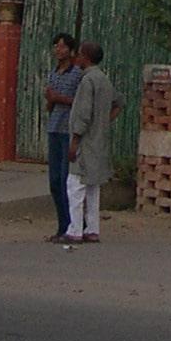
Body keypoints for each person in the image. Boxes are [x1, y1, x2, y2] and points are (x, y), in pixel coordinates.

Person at [65, 41, 115, 245]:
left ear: (85, 57)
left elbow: (83, 115)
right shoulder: (103, 79)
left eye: (80, 55)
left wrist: (74, 142)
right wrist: (102, 123)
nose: (77, 57)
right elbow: (119, 102)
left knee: (75, 185)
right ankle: (92, 229)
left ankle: (75, 230)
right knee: (93, 187)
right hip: (99, 140)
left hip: (85, 142)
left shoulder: (87, 81)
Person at [43, 33, 82, 244]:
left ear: (71, 51)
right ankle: (61, 225)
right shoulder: (53, 74)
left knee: (67, 180)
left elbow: (80, 103)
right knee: (55, 182)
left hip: (69, 131)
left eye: (62, 47)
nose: (58, 50)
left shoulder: (77, 75)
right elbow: (50, 107)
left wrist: (59, 99)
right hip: (54, 129)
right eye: (56, 46)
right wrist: (50, 100)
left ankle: (73, 225)